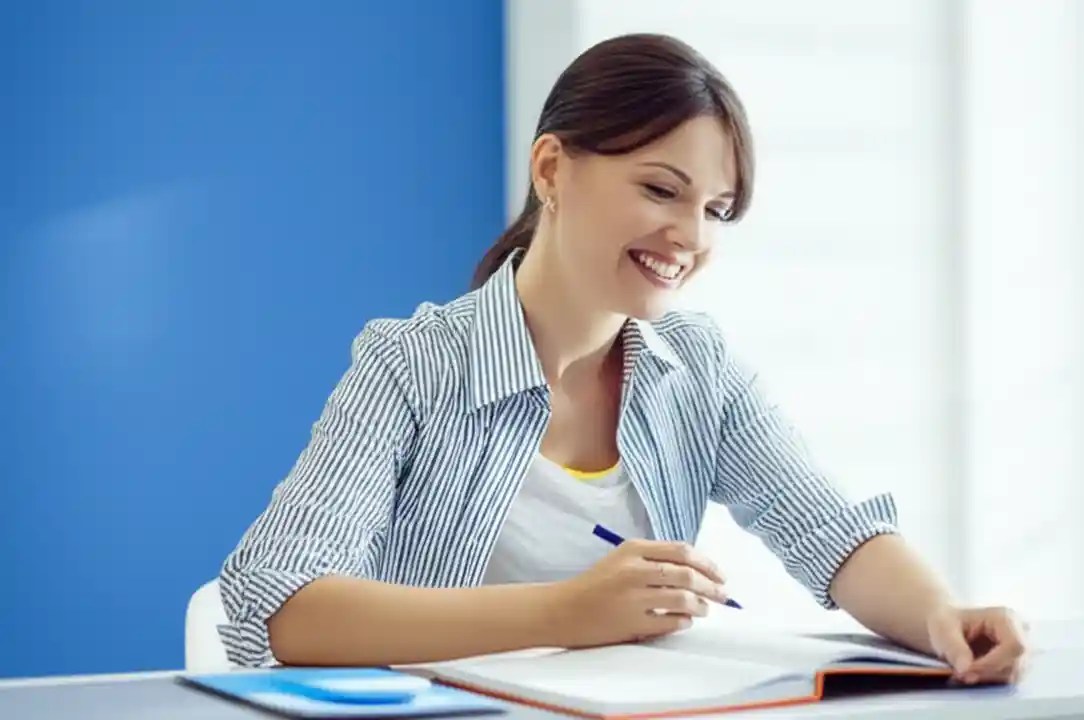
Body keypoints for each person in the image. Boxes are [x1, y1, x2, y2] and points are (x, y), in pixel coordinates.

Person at [218, 32, 1027, 685]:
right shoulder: (413, 366)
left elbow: (829, 534)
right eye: (661, 190)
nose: (694, 238)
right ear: (551, 170)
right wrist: (567, 612)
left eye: (715, 210)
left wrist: (939, 617)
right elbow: (284, 605)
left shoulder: (696, 368)